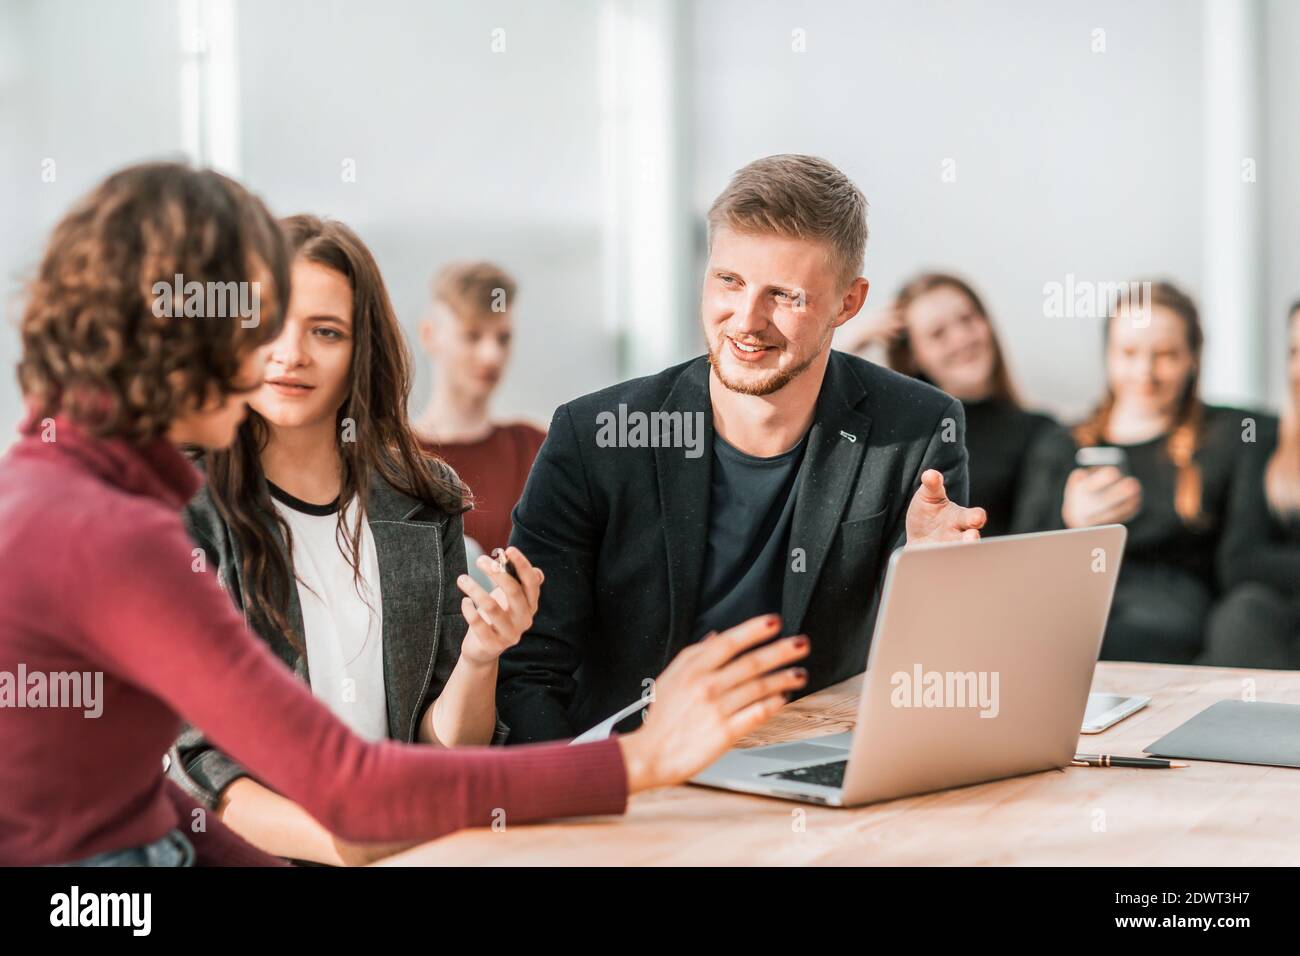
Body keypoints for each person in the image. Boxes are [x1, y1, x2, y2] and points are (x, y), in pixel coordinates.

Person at [0, 161, 810, 866]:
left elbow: (143, 796)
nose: (273, 357)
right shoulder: (109, 531)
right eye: (251, 322)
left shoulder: (62, 490)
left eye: (316, 328)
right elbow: (343, 789)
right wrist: (638, 760)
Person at [497, 154, 987, 745]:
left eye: (785, 295)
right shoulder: (593, 436)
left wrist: (932, 586)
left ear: (849, 304)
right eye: (729, 281)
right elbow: (527, 675)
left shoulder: (918, 428)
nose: (747, 321)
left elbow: (927, 679)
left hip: (818, 775)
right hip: (633, 785)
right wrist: (578, 806)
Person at [171, 216, 513, 865]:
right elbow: (192, 759)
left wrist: (480, 656)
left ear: (362, 350)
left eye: (324, 332)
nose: (290, 354)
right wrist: (341, 844)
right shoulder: (184, 507)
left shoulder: (421, 496)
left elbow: (440, 748)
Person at [1017, 280, 1249, 664]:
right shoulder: (1060, 444)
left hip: (1171, 622)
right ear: (1107, 356)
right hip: (1072, 611)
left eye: (1166, 355)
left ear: (1193, 357)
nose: (1146, 372)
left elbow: (1239, 561)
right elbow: (1019, 561)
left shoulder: (1229, 437)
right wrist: (1069, 522)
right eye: (1128, 353)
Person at [842, 272, 1062, 535]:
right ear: (912, 355)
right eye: (938, 333)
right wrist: (849, 342)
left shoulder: (1041, 432)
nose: (961, 338)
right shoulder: (897, 436)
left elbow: (1044, 537)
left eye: (967, 319)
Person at [414, 262, 546, 554]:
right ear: (428, 335)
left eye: (503, 338)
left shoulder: (536, 448)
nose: (491, 355)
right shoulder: (393, 455)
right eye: (472, 336)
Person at [1200, 300, 1300, 669]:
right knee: (1241, 615)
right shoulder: (1262, 440)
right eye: (1294, 351)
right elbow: (1240, 561)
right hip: (1280, 619)